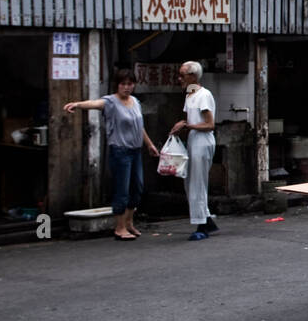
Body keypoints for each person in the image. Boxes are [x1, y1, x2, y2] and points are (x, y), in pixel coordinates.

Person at [64, 69, 160, 240]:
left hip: (136, 150)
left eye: (130, 84)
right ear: (117, 85)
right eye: (123, 84)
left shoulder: (135, 102)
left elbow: (139, 127)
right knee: (121, 190)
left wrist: (149, 144)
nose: (126, 87)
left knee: (137, 187)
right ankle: (119, 227)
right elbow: (94, 103)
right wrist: (77, 105)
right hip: (120, 151)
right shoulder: (111, 102)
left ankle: (129, 222)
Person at [171, 61, 218, 240]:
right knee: (190, 181)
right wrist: (183, 125)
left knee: (198, 183)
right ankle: (205, 219)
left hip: (202, 140)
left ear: (193, 76)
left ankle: (202, 225)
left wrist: (188, 126)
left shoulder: (204, 95)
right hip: (193, 139)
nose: (180, 78)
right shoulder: (190, 94)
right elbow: (190, 118)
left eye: (183, 75)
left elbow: (209, 124)